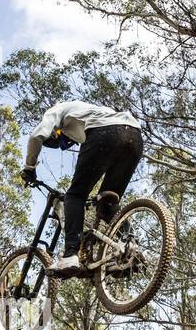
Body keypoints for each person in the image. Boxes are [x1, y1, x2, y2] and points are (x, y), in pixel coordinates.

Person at [20, 100, 144, 276]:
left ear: (56, 133)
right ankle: (132, 248)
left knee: (75, 196)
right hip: (135, 137)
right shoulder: (94, 109)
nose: (65, 143)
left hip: (105, 132)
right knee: (107, 202)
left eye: (62, 141)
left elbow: (36, 136)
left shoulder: (58, 109)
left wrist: (29, 168)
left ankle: (70, 255)